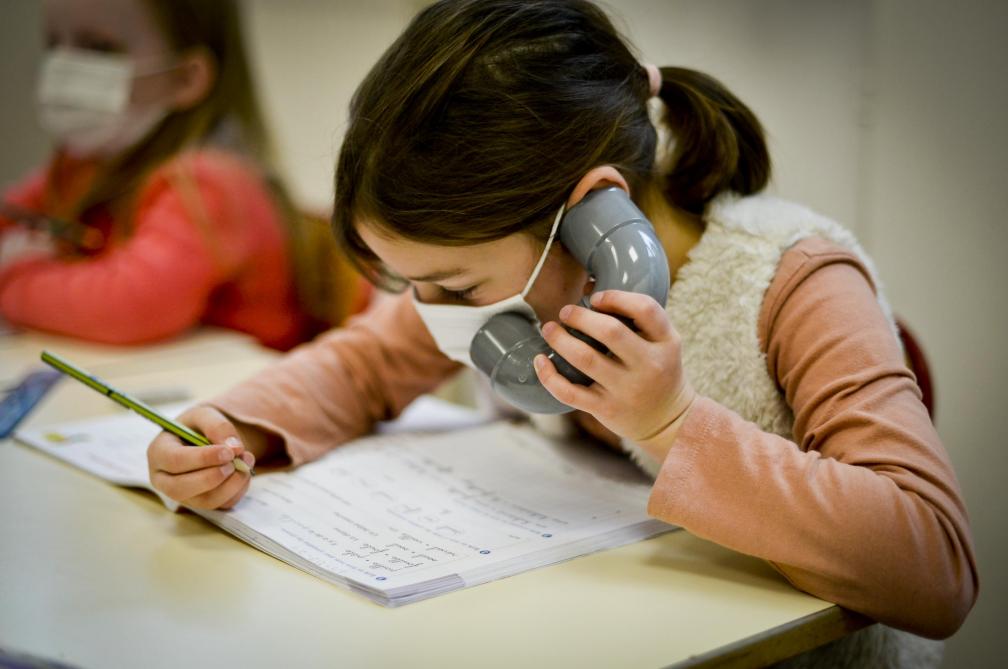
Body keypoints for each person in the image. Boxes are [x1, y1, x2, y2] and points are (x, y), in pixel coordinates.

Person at [146, 0, 977, 663]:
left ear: (594, 218)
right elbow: (364, 363)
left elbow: (936, 568)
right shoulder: (498, 267)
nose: (432, 309)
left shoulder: (796, 284)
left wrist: (671, 422)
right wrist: (234, 428)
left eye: (454, 287)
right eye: (412, 285)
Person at [0, 0, 369, 349]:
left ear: (186, 78)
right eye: (54, 43)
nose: (64, 66)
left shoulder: (209, 180)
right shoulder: (83, 164)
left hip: (240, 380)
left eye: (101, 48)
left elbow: (134, 306)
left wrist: (13, 275)